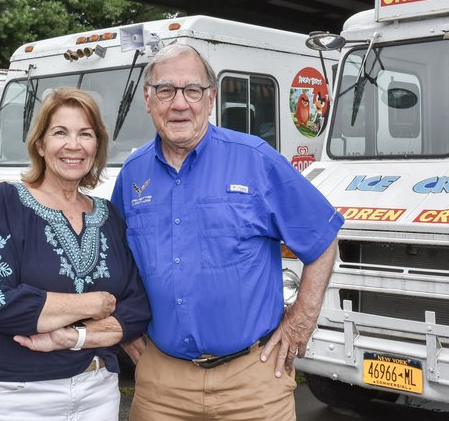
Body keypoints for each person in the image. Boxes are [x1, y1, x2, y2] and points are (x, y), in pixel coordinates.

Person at [111, 44, 343, 420]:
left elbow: (322, 238)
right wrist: (129, 334)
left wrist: (301, 319)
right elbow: (117, 265)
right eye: (167, 90)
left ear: (211, 98)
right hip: (161, 387)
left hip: (253, 382)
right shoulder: (133, 175)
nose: (180, 104)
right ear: (148, 98)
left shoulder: (256, 158)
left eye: (193, 90)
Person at [0, 88, 150, 421]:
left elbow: (137, 307)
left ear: (97, 146)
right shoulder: (8, 201)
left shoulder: (108, 215)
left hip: (97, 389)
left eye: (85, 134)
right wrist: (95, 304)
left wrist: (72, 336)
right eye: (60, 133)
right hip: (17, 395)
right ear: (40, 144)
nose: (74, 145)